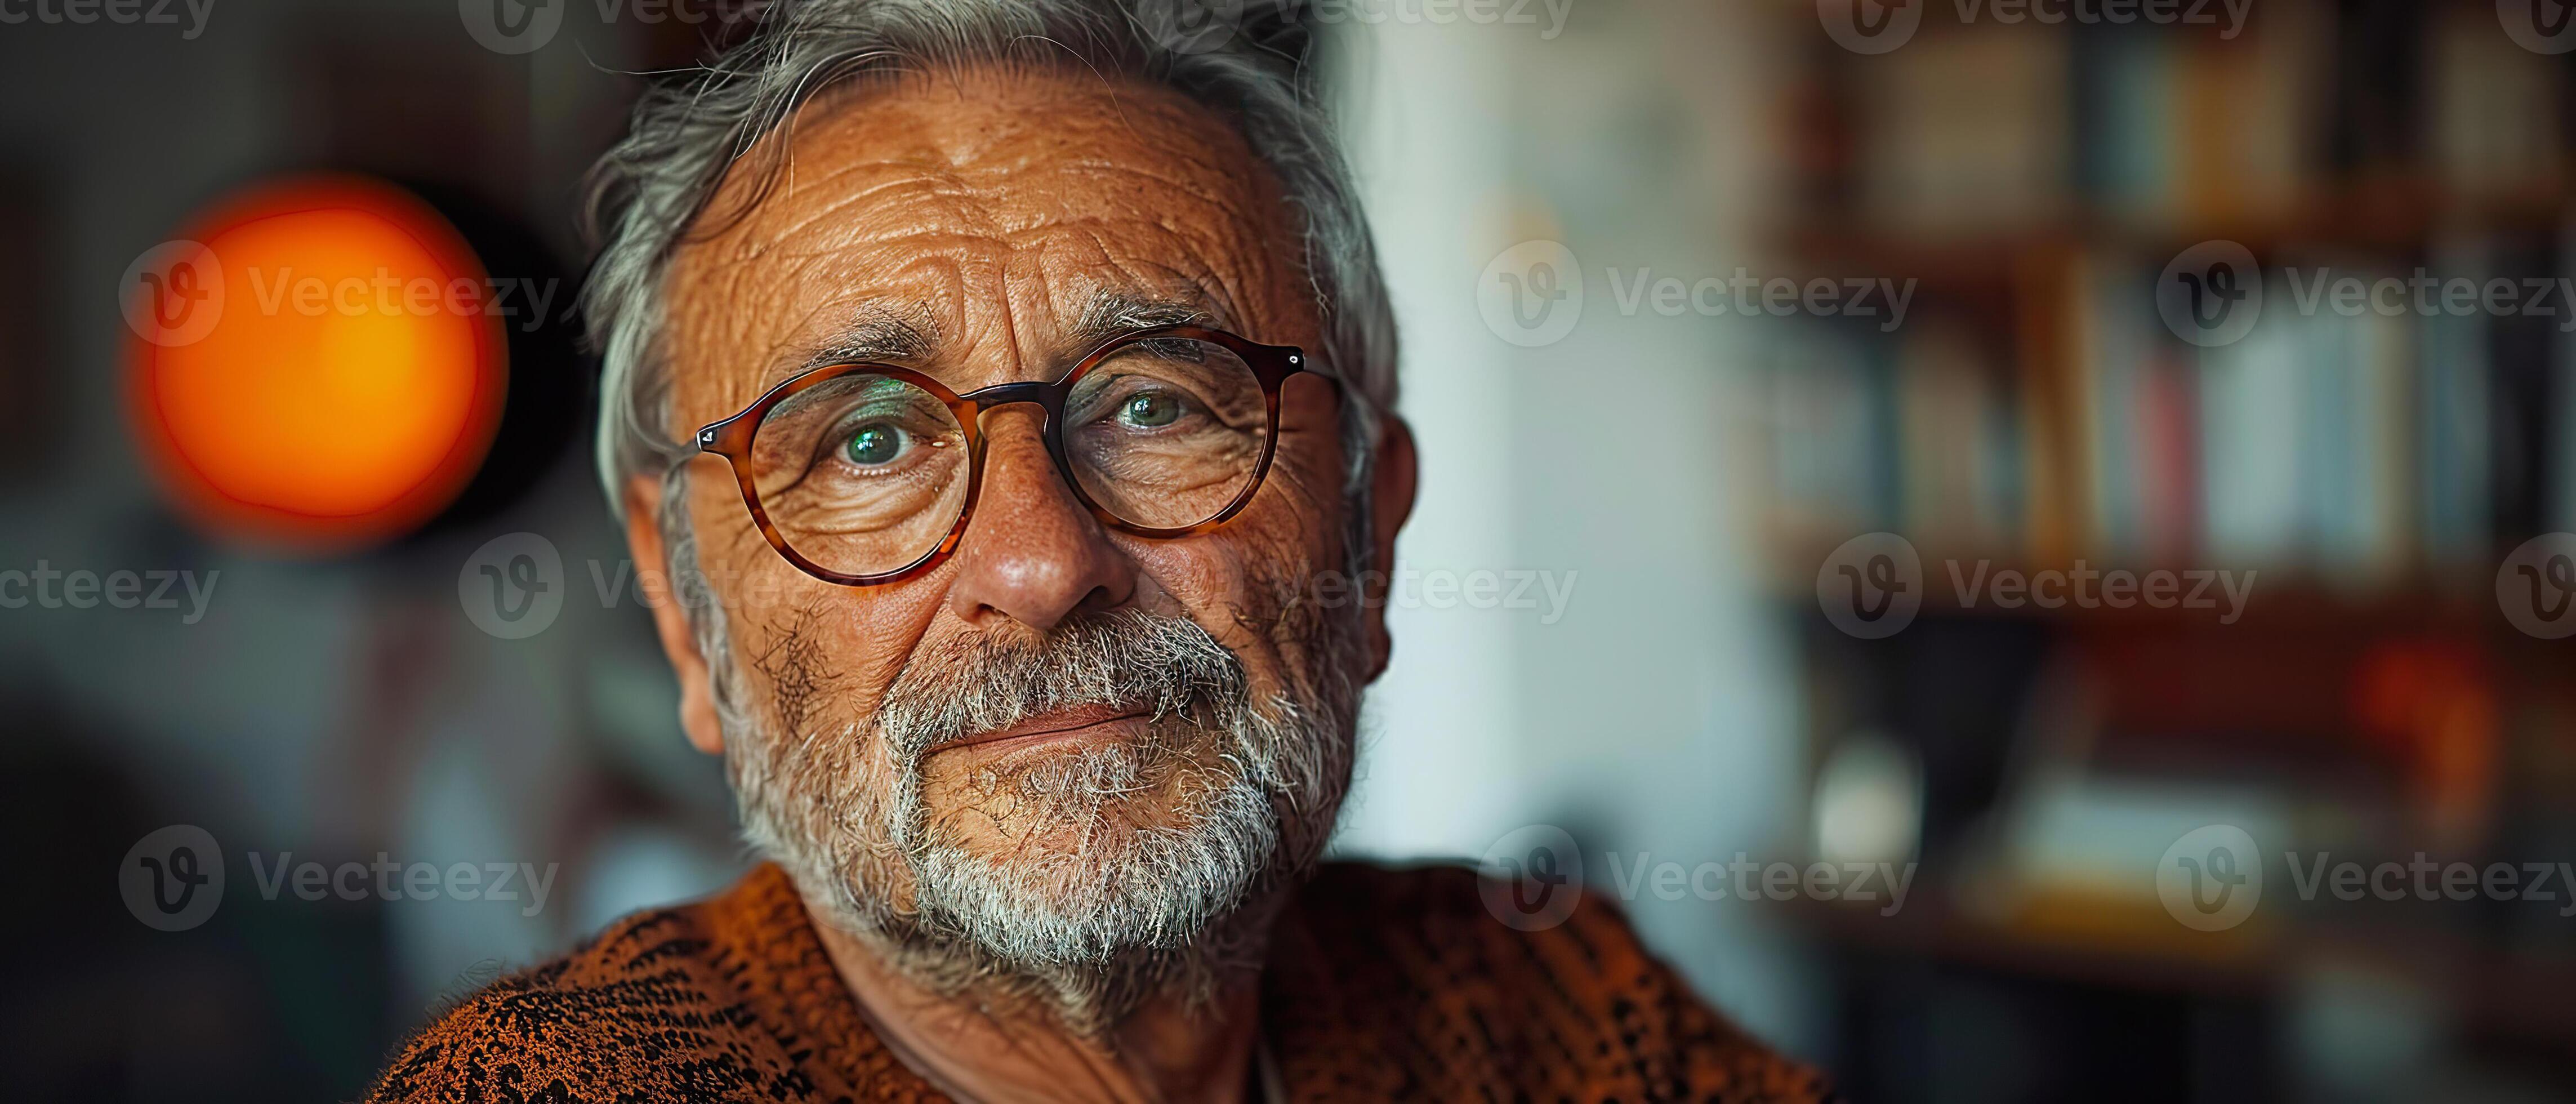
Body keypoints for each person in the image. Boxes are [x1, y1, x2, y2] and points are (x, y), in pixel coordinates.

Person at [372, 2, 1827, 1099]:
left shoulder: (1556, 1016)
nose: (1039, 563)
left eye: (1152, 403)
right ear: (690, 618)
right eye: (868, 442)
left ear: (1370, 534)